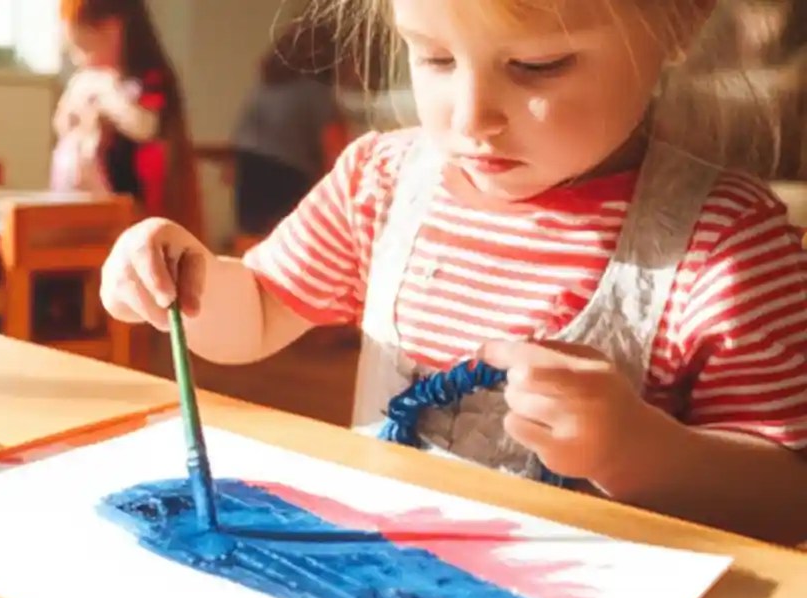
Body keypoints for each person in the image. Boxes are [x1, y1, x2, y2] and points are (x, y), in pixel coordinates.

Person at [98, 0, 807, 545]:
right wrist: (182, 282)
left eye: (537, 65)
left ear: (680, 19)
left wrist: (641, 452)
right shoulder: (378, 184)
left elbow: (784, 496)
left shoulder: (727, 246)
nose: (472, 118)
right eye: (435, 59)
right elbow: (253, 311)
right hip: (378, 585)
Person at [52, 0, 203, 237]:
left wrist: (106, 94)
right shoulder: (87, 81)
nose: (79, 60)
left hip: (141, 216)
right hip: (92, 212)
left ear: (113, 30)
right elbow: (62, 126)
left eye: (83, 48)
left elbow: (145, 126)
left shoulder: (147, 80)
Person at [231, 21, 349, 237]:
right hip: (289, 172)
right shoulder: (317, 92)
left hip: (249, 165)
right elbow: (334, 149)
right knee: (287, 241)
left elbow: (244, 129)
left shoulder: (265, 85)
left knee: (249, 238)